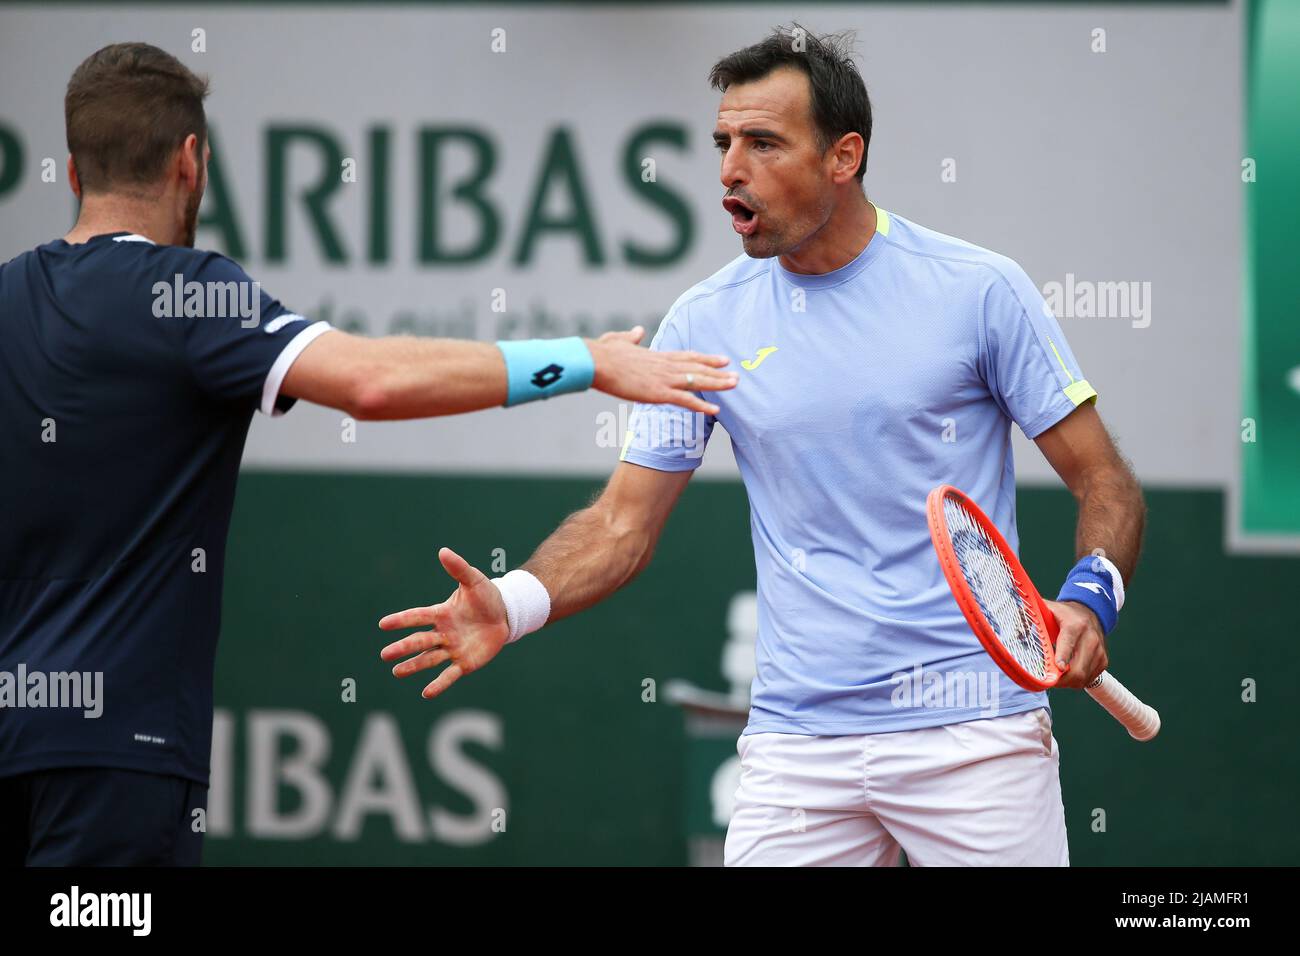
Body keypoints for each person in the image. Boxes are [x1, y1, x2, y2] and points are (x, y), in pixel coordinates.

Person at [379, 26, 1146, 867]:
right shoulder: (704, 324)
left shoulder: (979, 292)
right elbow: (620, 527)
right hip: (798, 745)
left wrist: (1088, 598)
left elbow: (1103, 480)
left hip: (972, 733)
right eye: (723, 143)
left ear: (843, 157)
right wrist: (515, 601)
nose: (728, 172)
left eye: (763, 143)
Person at [0, 41, 737, 866]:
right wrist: (586, 360)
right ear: (191, 162)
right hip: (115, 758)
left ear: (71, 171)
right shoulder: (187, 292)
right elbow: (372, 383)